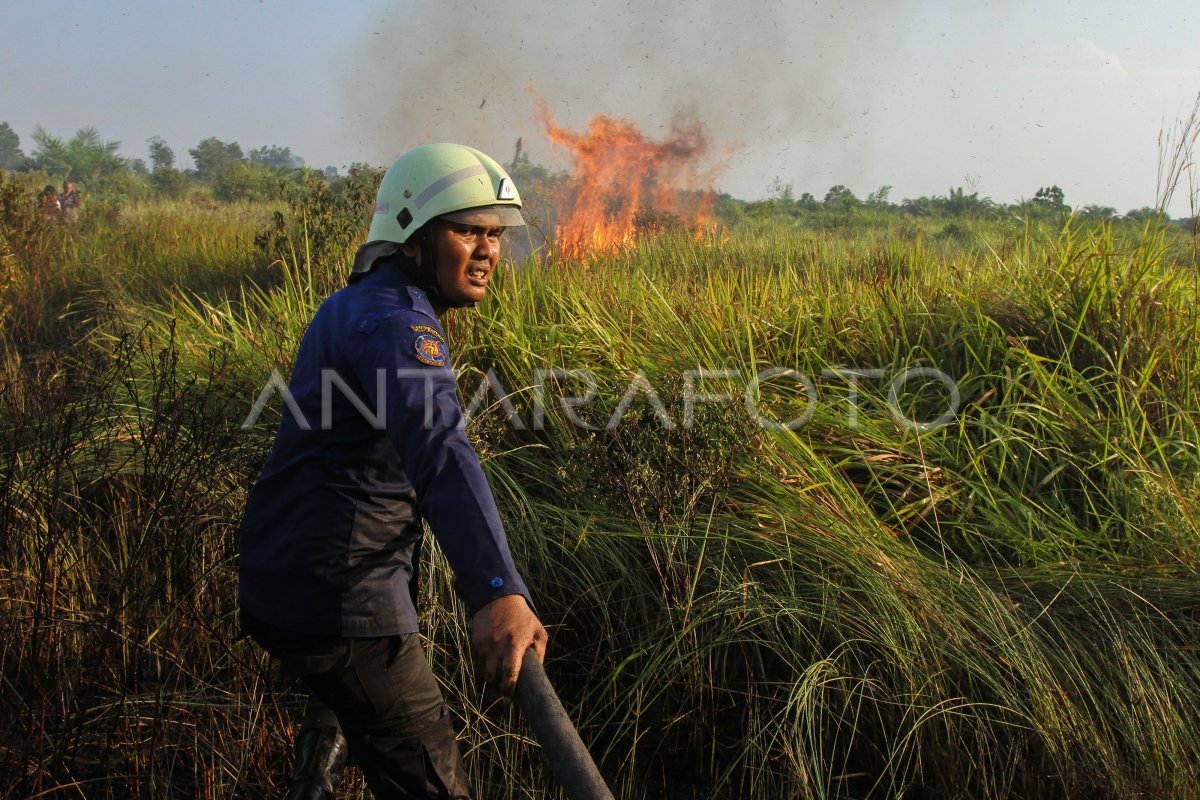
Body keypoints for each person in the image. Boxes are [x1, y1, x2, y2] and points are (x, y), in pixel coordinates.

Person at [239, 143, 547, 800]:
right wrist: (498, 589)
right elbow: (440, 448)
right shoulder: (399, 324)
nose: (489, 250)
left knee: (348, 704)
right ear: (414, 235)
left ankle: (319, 764)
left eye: (495, 234)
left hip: (287, 581)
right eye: (468, 230)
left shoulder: (351, 305)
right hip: (344, 601)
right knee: (431, 780)